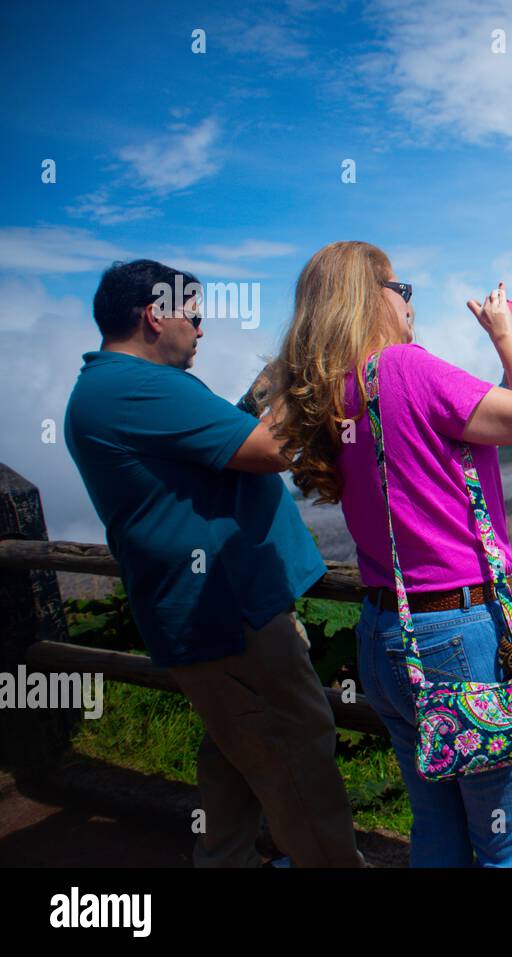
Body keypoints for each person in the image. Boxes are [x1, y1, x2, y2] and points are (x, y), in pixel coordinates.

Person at [264, 241, 512, 867]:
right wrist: (506, 338)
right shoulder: (407, 368)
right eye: (403, 290)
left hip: (387, 637)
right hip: (465, 637)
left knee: (439, 832)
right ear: (371, 297)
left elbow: (443, 452)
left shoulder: (332, 393)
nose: (409, 303)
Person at [63, 259, 364, 868]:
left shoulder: (117, 387)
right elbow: (268, 448)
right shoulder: (135, 387)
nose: (201, 331)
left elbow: (213, 439)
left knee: (239, 747)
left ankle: (224, 859)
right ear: (156, 315)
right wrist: (311, 366)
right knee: (295, 749)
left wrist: (276, 377)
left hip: (220, 610)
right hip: (229, 614)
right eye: (194, 317)